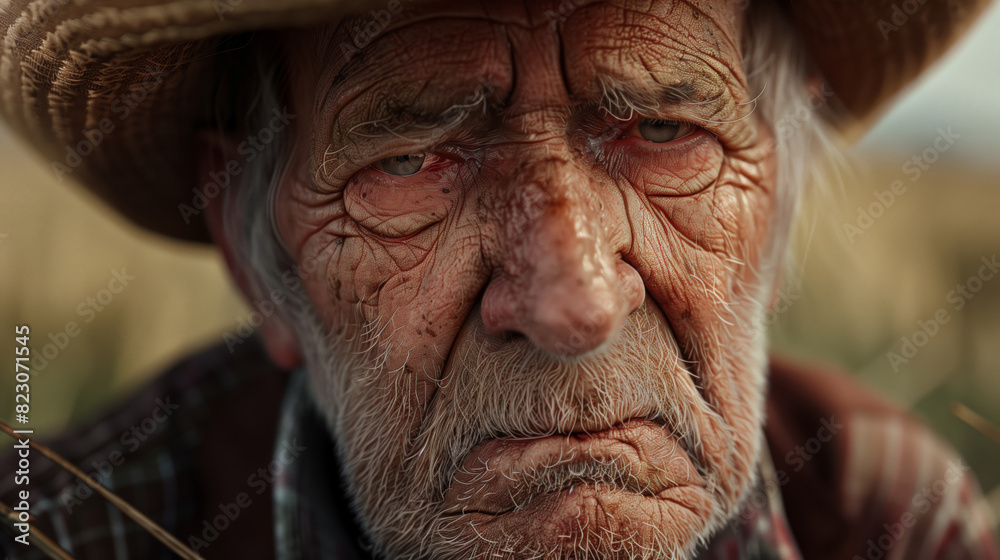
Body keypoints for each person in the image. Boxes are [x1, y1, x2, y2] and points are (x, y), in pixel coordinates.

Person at [1, 0, 997, 558]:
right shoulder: (63, 529)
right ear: (248, 243)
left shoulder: (885, 513)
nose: (575, 301)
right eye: (412, 158)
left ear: (771, 212)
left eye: (662, 131)